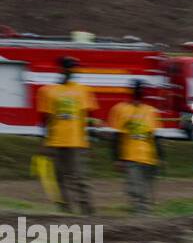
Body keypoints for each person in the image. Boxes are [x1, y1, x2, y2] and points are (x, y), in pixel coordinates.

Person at [36, 57, 99, 214]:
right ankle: (66, 211)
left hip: (76, 141)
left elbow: (88, 115)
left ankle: (87, 210)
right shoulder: (48, 91)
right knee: (59, 178)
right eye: (70, 68)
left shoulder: (83, 90)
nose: (73, 71)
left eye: (74, 68)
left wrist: (91, 136)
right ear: (61, 69)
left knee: (79, 177)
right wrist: (44, 139)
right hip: (56, 140)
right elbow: (46, 118)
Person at [107, 80, 162, 214]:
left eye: (141, 90)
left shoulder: (150, 111)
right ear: (131, 92)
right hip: (130, 156)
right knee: (134, 187)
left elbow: (155, 136)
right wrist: (117, 158)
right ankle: (140, 213)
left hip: (148, 156)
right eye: (136, 90)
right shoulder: (120, 109)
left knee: (146, 187)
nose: (138, 93)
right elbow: (116, 137)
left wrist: (160, 156)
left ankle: (146, 213)